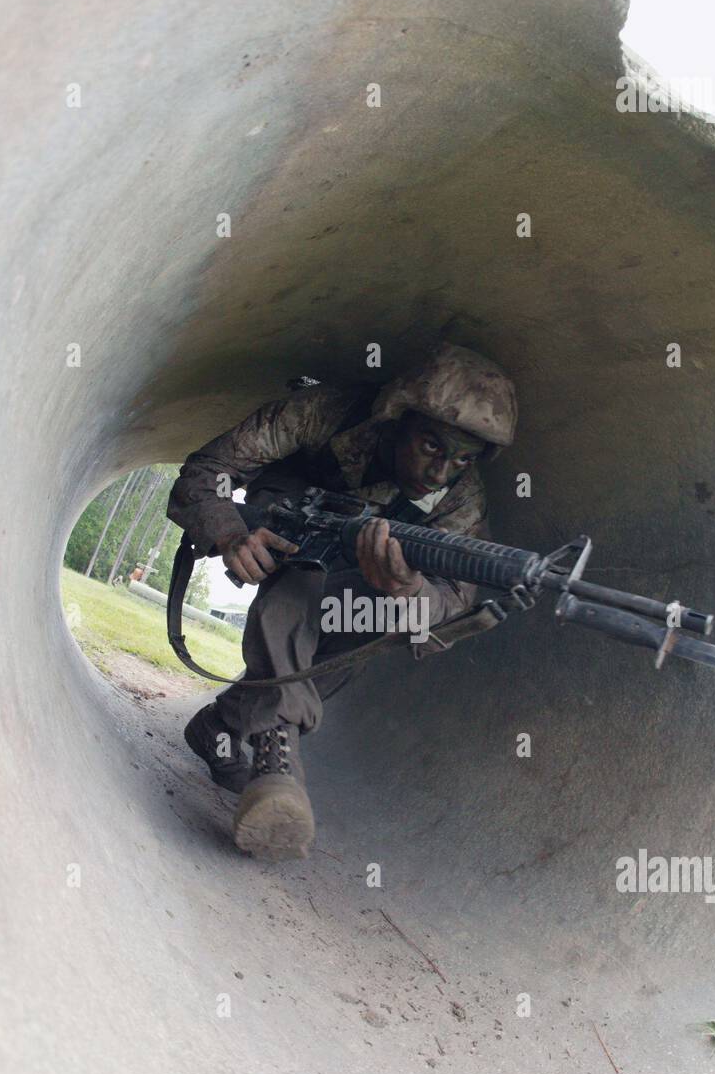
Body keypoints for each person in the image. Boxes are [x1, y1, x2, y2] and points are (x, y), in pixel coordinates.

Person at [166, 341, 518, 859]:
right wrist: (228, 533)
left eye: (463, 459)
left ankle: (223, 726)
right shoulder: (323, 412)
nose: (441, 473)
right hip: (277, 529)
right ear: (399, 419)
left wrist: (408, 590)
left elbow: (451, 605)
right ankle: (277, 763)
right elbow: (205, 472)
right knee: (300, 581)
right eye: (431, 447)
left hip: (352, 578)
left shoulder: (462, 501)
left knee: (375, 618)